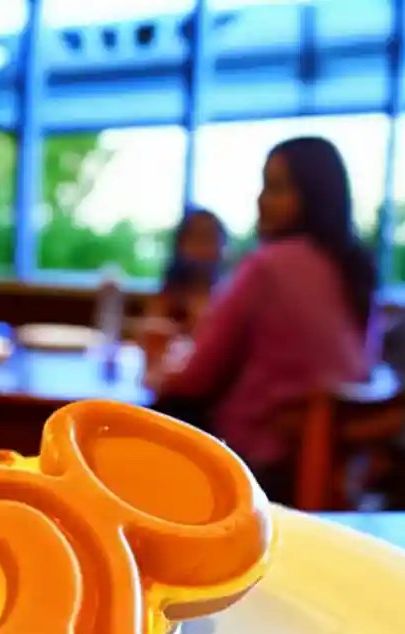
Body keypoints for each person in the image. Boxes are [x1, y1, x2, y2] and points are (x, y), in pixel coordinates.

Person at [149, 137, 378, 504]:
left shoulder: (268, 266)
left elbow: (193, 378)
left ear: (313, 196)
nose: (261, 200)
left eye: (276, 188)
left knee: (148, 419)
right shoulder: (352, 269)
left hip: (256, 465)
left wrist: (157, 370)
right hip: (329, 467)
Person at [145, 207, 226, 331]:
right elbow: (153, 327)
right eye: (197, 237)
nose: (203, 247)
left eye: (209, 238)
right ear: (181, 244)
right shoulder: (171, 291)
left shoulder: (229, 294)